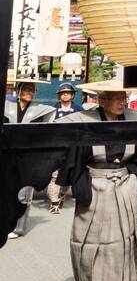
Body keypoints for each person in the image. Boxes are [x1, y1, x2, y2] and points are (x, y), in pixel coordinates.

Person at [60, 80, 137, 281]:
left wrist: (135, 183)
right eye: (115, 97)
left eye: (124, 96)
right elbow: (74, 159)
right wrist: (71, 187)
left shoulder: (133, 121)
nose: (122, 101)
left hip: (124, 186)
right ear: (101, 100)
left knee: (118, 243)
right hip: (93, 184)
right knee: (89, 243)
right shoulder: (86, 121)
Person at [3, 80, 54, 238]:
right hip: (7, 155)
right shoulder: (7, 106)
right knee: (5, 190)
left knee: (24, 193)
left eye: (32, 90)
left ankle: (18, 227)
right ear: (18, 91)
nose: (30, 92)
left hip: (27, 157)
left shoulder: (41, 111)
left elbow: (48, 128)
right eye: (26, 89)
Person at [47, 82, 79, 214]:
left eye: (68, 92)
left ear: (72, 95)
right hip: (57, 146)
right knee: (54, 175)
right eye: (62, 93)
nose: (65, 95)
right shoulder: (52, 110)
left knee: (68, 174)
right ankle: (54, 202)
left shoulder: (79, 109)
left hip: (73, 146)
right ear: (59, 96)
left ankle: (61, 197)